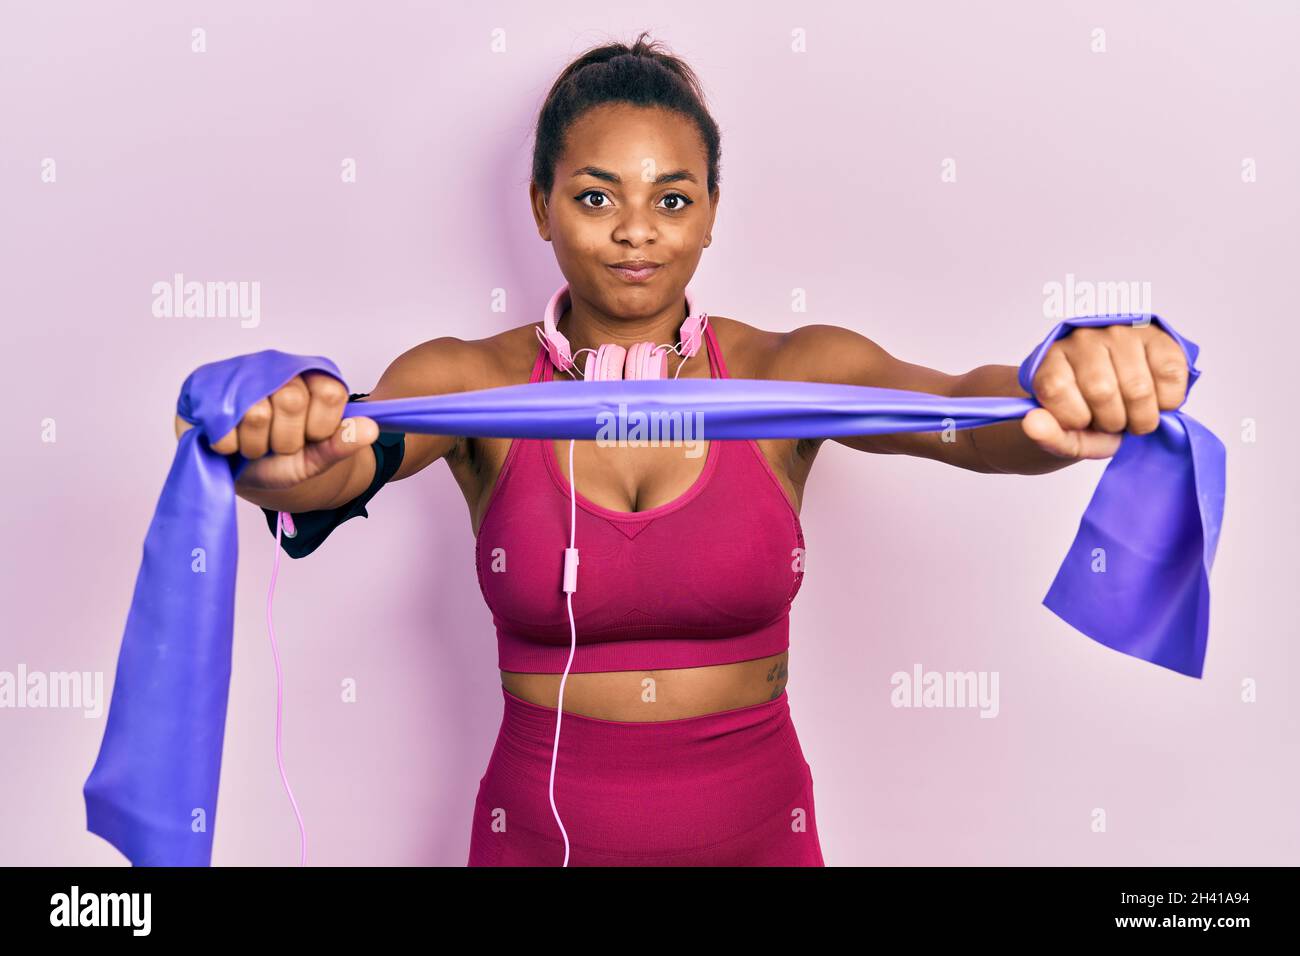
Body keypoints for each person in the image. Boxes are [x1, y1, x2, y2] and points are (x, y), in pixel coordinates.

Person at [174, 33, 1191, 866]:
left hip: (760, 837)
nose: (635, 232)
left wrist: (1076, 373)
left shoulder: (792, 369)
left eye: (672, 199)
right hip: (534, 839)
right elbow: (342, 453)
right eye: (593, 195)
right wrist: (277, 439)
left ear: (709, 214)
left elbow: (975, 416)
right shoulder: (469, 382)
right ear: (540, 206)